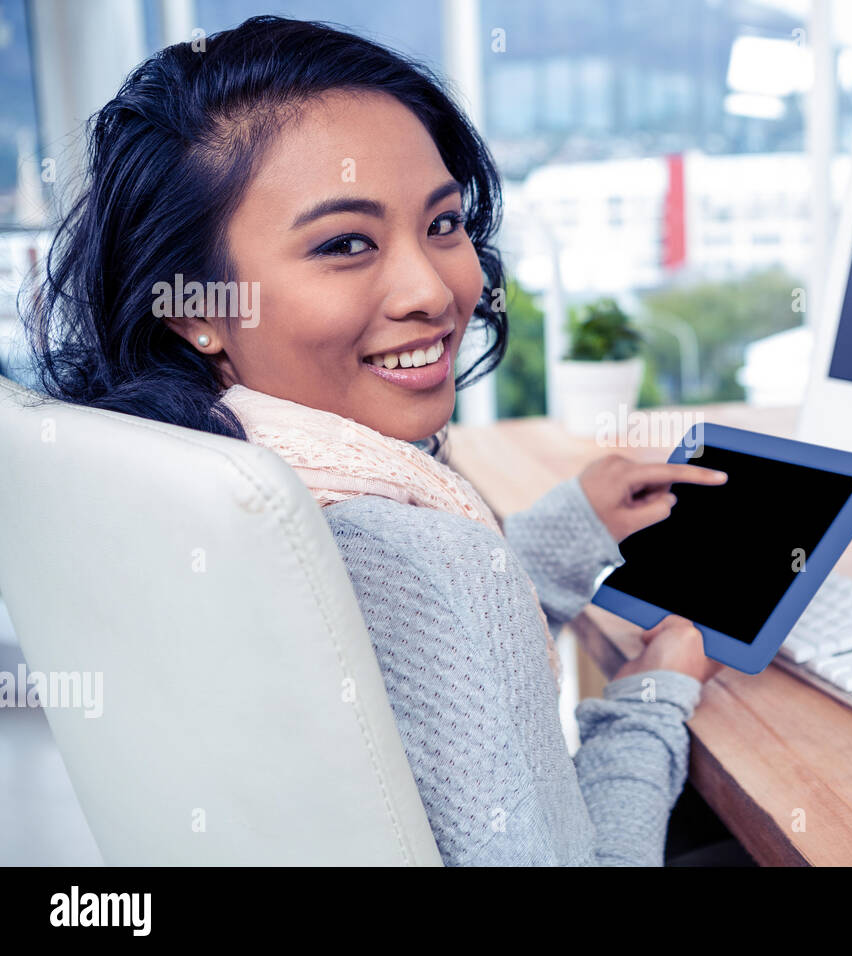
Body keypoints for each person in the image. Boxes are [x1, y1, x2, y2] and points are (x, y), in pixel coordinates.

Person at [20, 14, 733, 865]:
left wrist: (568, 529)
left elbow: (394, 690)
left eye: (443, 223)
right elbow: (428, 610)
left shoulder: (185, 489)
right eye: (345, 243)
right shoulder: (422, 565)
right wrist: (654, 691)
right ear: (194, 307)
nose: (433, 289)